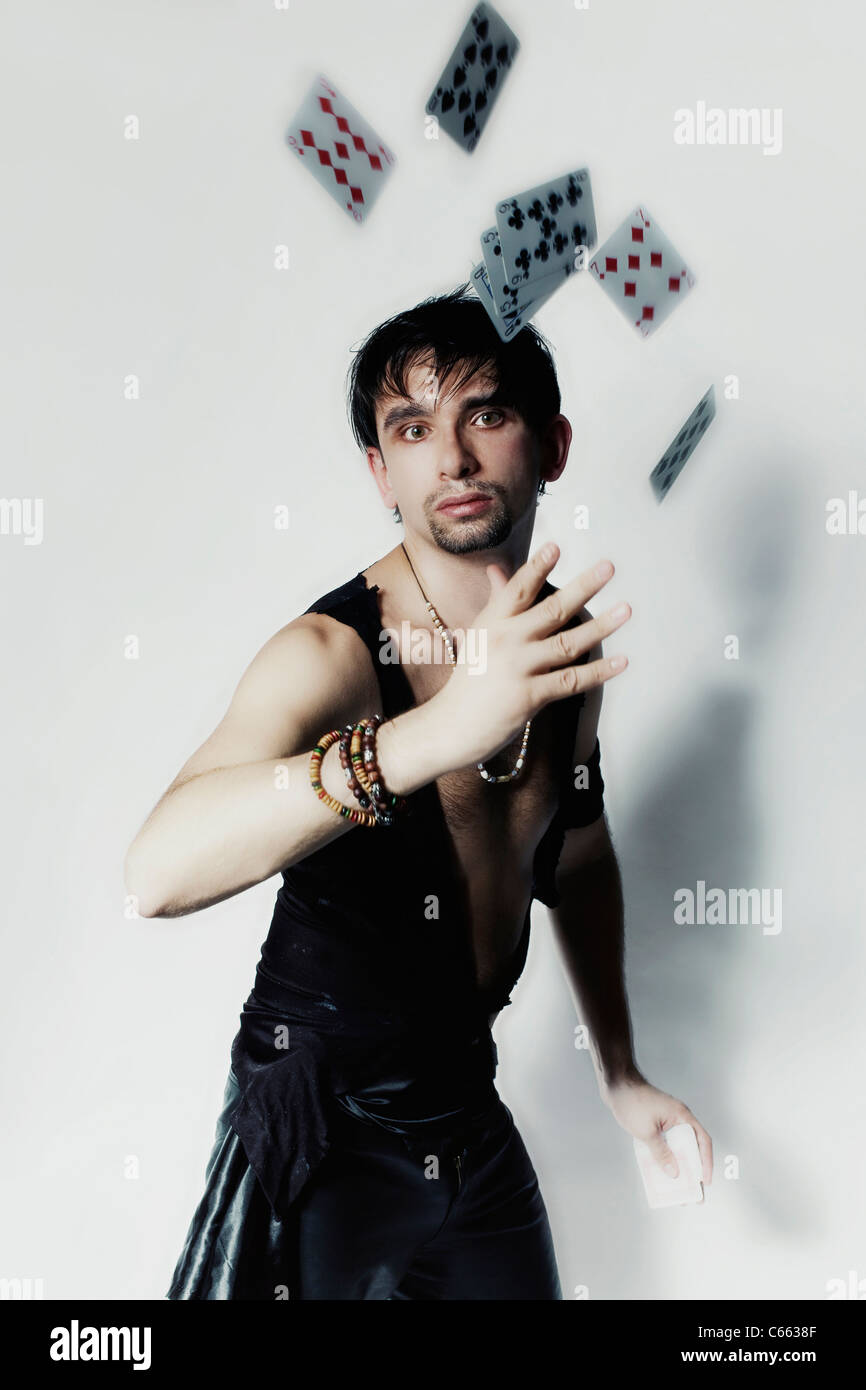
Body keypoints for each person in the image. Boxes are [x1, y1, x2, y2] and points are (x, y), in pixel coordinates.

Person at [125, 285, 713, 1300]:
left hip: (462, 1112)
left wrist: (618, 1070)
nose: (451, 459)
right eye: (411, 428)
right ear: (378, 473)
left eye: (484, 413)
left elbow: (574, 852)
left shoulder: (560, 655)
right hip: (327, 1133)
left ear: (551, 442)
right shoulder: (328, 656)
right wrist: (431, 733)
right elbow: (154, 873)